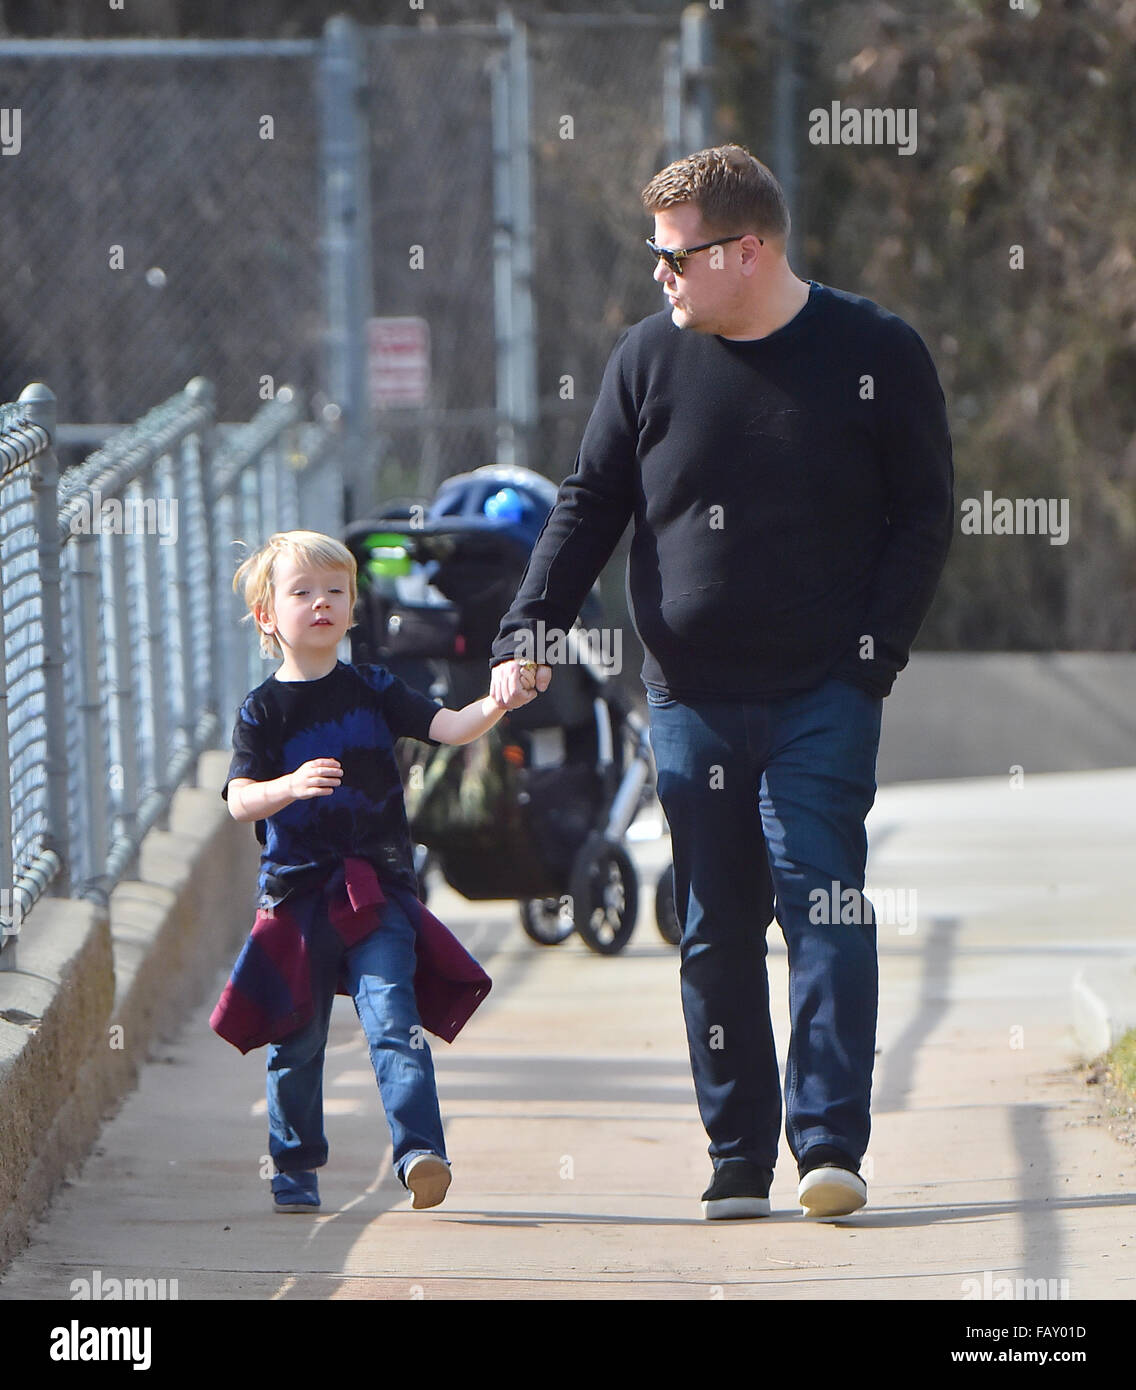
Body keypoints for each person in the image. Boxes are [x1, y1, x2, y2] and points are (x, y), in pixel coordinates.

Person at [490, 145, 954, 1220]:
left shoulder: (872, 350)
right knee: (713, 921)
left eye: (674, 256)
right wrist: (531, 626)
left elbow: (922, 512)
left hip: (820, 695)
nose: (658, 274)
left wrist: (873, 653)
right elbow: (586, 502)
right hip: (687, 695)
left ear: (746, 250)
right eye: (653, 255)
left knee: (821, 901)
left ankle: (828, 1143)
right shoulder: (646, 360)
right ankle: (737, 1152)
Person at [213, 529, 538, 1214]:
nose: (322, 603)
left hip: (377, 887)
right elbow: (239, 799)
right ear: (269, 615)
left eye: (337, 591)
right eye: (303, 592)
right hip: (296, 893)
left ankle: (421, 1152)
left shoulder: (374, 687)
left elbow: (450, 725)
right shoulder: (261, 709)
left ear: (354, 609)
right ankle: (295, 1165)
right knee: (296, 1039)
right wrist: (289, 785)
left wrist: (500, 700)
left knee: (393, 1016)